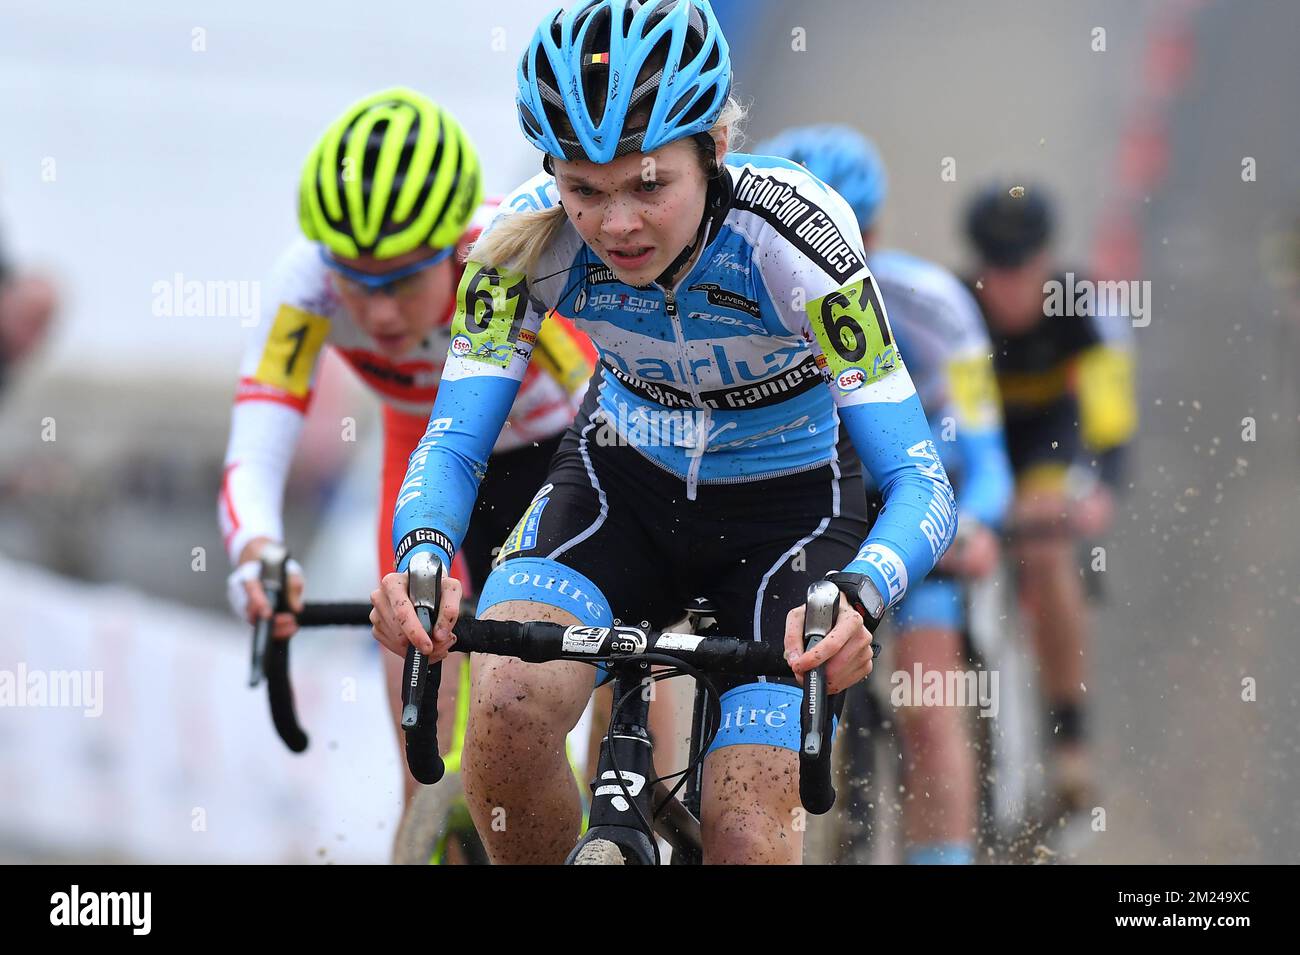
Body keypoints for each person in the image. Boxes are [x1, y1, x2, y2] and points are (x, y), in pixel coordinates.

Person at [370, 0, 957, 865]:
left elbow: (921, 482)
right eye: (584, 189)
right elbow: (452, 444)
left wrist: (864, 594)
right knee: (502, 709)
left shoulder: (798, 241)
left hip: (788, 519)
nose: (616, 225)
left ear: (714, 152)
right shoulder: (520, 244)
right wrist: (421, 554)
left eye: (649, 183)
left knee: (748, 835)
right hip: (620, 489)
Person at [217, 88, 595, 823]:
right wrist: (257, 553)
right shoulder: (306, 281)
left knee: (598, 715)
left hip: (562, 463)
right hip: (426, 471)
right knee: (427, 768)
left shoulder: (506, 255)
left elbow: (607, 415)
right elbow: (256, 445)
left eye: (401, 281)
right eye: (358, 285)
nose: (379, 312)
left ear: (452, 247)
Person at [759, 125, 1013, 865]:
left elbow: (989, 458)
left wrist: (975, 524)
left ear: (873, 229)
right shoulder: (754, 304)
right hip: (820, 506)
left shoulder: (935, 306)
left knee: (928, 705)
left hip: (921, 500)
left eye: (847, 235)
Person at [962, 182, 1138, 818]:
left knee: (1049, 549)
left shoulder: (1086, 308)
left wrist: (1099, 492)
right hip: (978, 451)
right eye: (996, 273)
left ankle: (1071, 741)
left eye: (1023, 271)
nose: (1010, 288)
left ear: (1046, 262)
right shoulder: (958, 307)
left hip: (1047, 455)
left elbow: (1112, 420)